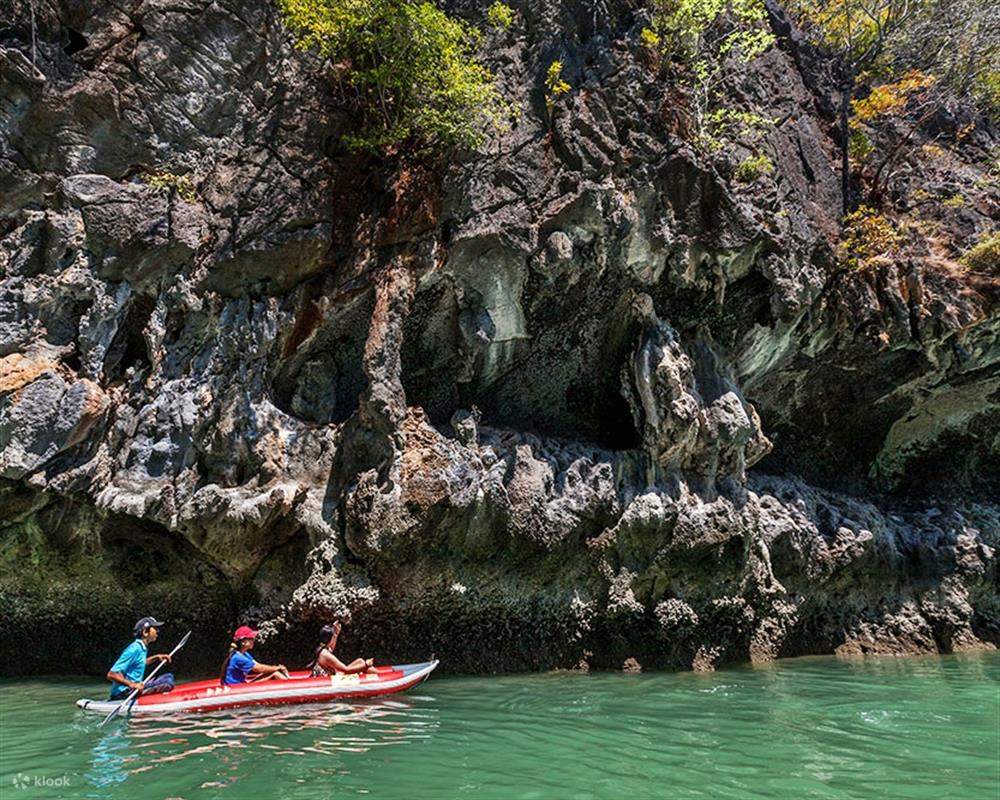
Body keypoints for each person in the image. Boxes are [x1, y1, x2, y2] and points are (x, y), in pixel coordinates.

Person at [106, 617, 174, 701]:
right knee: (167, 681)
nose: (157, 631)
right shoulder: (134, 648)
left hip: (132, 689)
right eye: (155, 629)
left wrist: (156, 657)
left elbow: (140, 663)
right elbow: (111, 674)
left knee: (168, 676)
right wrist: (132, 684)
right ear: (145, 632)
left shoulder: (142, 647)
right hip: (125, 693)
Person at [220, 626, 290, 685]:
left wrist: (275, 667)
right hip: (236, 689)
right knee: (275, 673)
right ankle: (291, 690)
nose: (253, 640)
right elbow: (260, 669)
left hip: (240, 686)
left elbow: (258, 665)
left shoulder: (244, 654)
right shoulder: (239, 658)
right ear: (243, 642)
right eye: (250, 638)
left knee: (273, 672)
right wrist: (277, 668)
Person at [308, 621, 377, 677]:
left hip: (329, 677)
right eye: (333, 636)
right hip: (328, 681)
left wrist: (336, 633)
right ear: (330, 639)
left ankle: (380, 675)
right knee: (362, 663)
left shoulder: (321, 649)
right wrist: (366, 664)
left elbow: (331, 647)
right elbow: (346, 670)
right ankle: (382, 677)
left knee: (359, 661)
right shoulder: (326, 655)